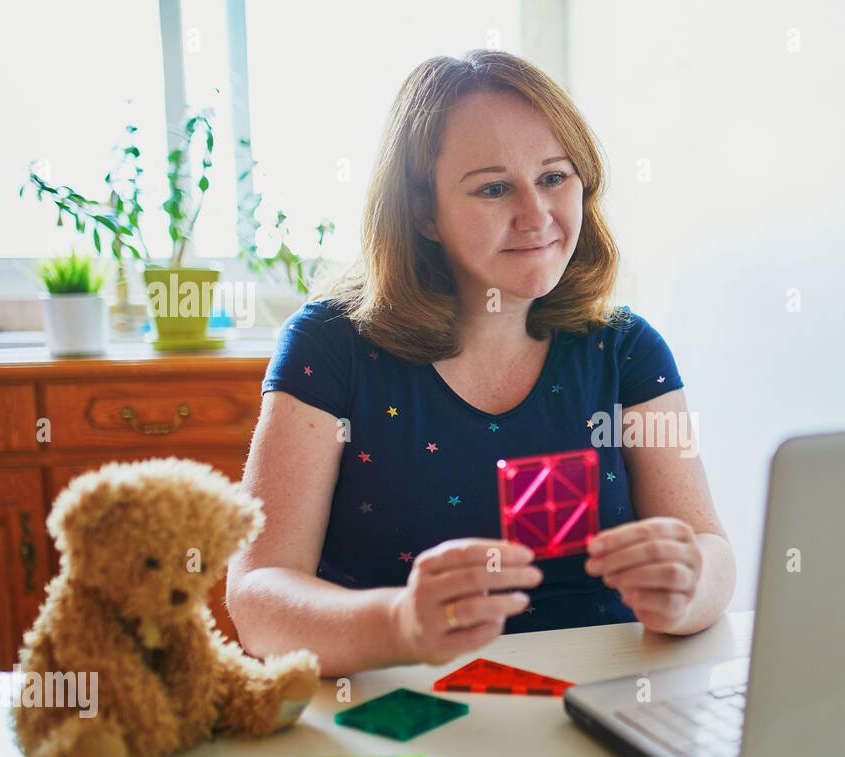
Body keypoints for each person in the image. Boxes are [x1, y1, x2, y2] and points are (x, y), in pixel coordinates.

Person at [226, 50, 735, 677]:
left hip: (611, 704)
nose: (537, 216)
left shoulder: (628, 349)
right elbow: (258, 594)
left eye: (554, 177)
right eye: (494, 188)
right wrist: (402, 623)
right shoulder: (330, 347)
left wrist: (689, 588)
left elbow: (711, 548)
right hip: (405, 707)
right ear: (422, 214)